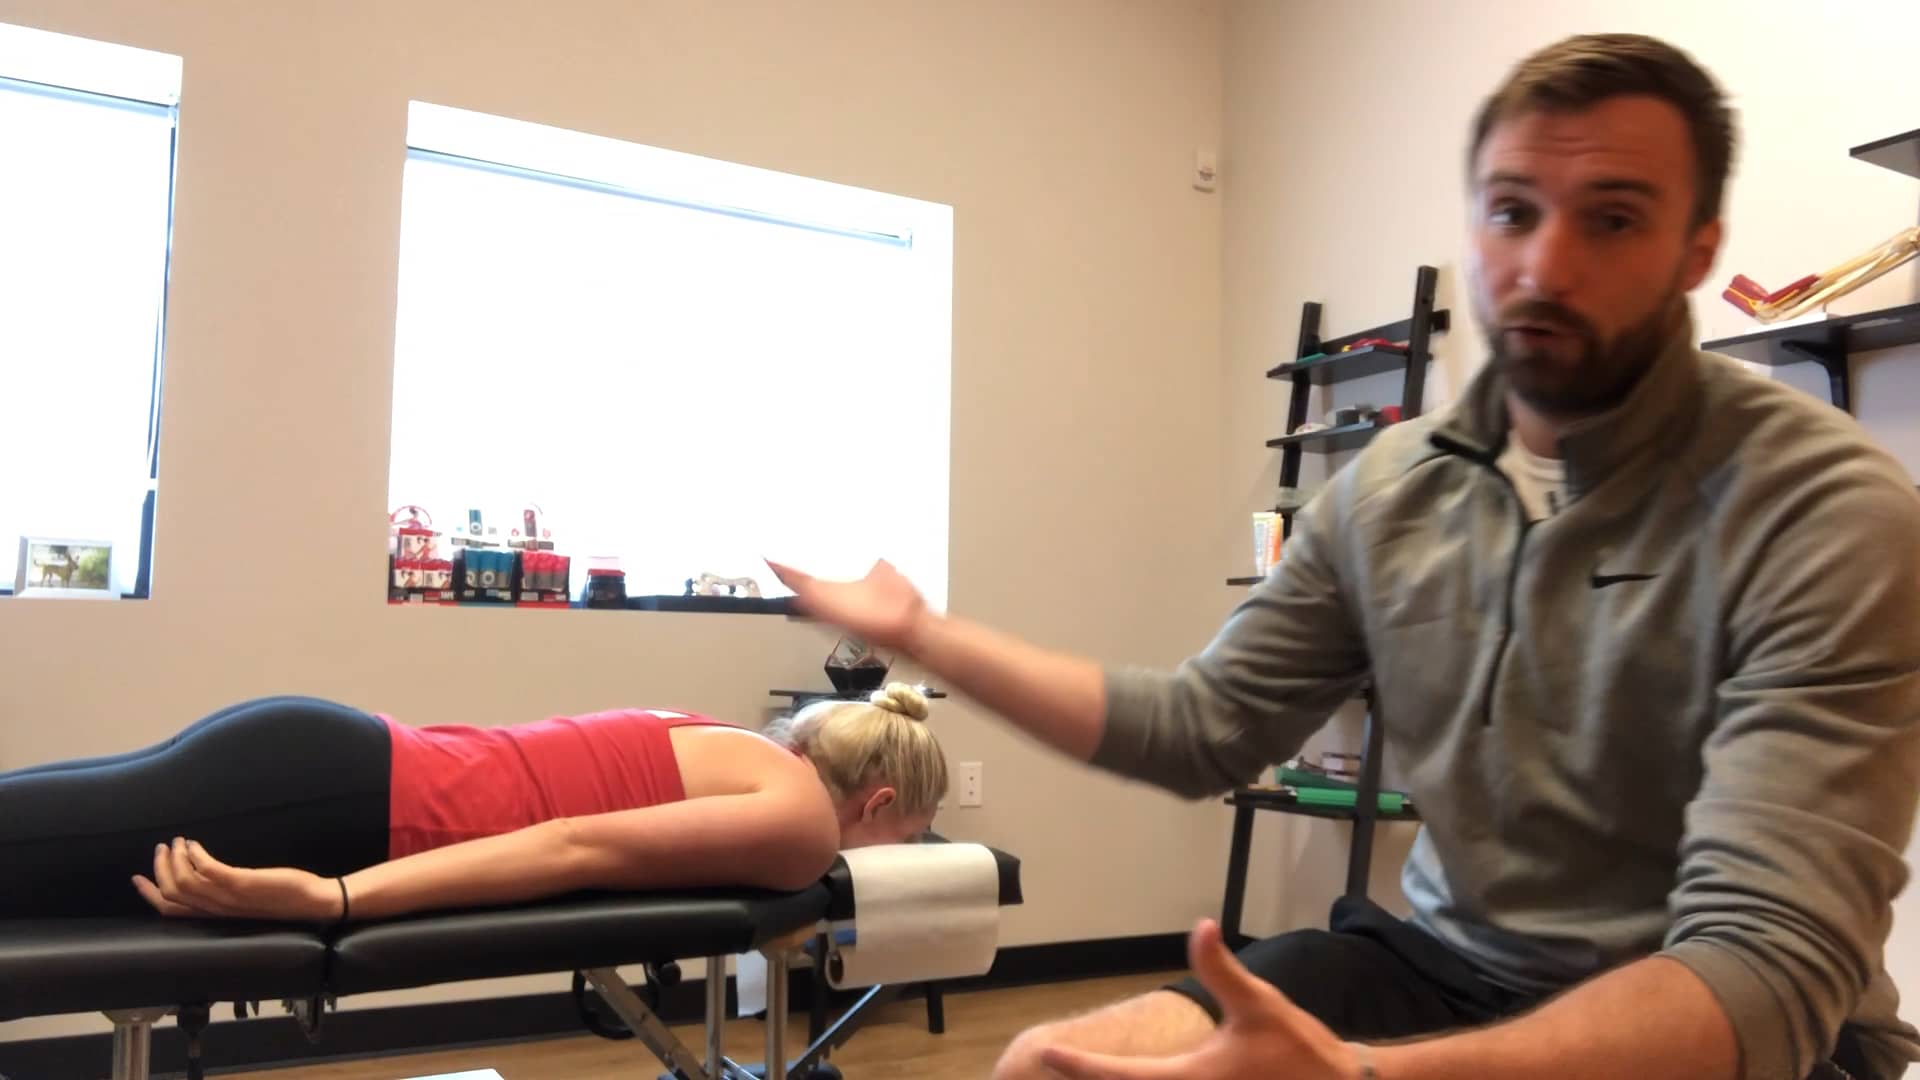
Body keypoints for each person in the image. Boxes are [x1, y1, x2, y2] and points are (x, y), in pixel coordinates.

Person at [768, 32, 1920, 1080]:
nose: (1546, 264)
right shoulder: (1393, 489)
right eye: (1512, 212)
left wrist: (1364, 1077)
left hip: (1738, 1033)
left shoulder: (1821, 507)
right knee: (1047, 1065)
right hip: (1449, 970)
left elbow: (1765, 972)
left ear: (1696, 247)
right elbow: (1200, 728)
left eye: (1612, 219)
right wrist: (921, 634)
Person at [0, 682, 947, 924]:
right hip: (328, 802)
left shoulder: (731, 743)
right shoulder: (803, 824)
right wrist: (334, 897)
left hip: (315, 753)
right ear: (878, 802)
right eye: (901, 840)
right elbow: (574, 845)